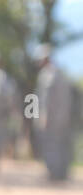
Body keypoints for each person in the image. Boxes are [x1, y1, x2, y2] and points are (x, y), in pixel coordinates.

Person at [32, 44, 75, 182]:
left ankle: (53, 173)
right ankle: (62, 173)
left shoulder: (47, 74)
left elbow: (45, 99)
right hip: (65, 117)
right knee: (62, 144)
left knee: (51, 144)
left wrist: (42, 116)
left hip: (52, 118)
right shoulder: (61, 72)